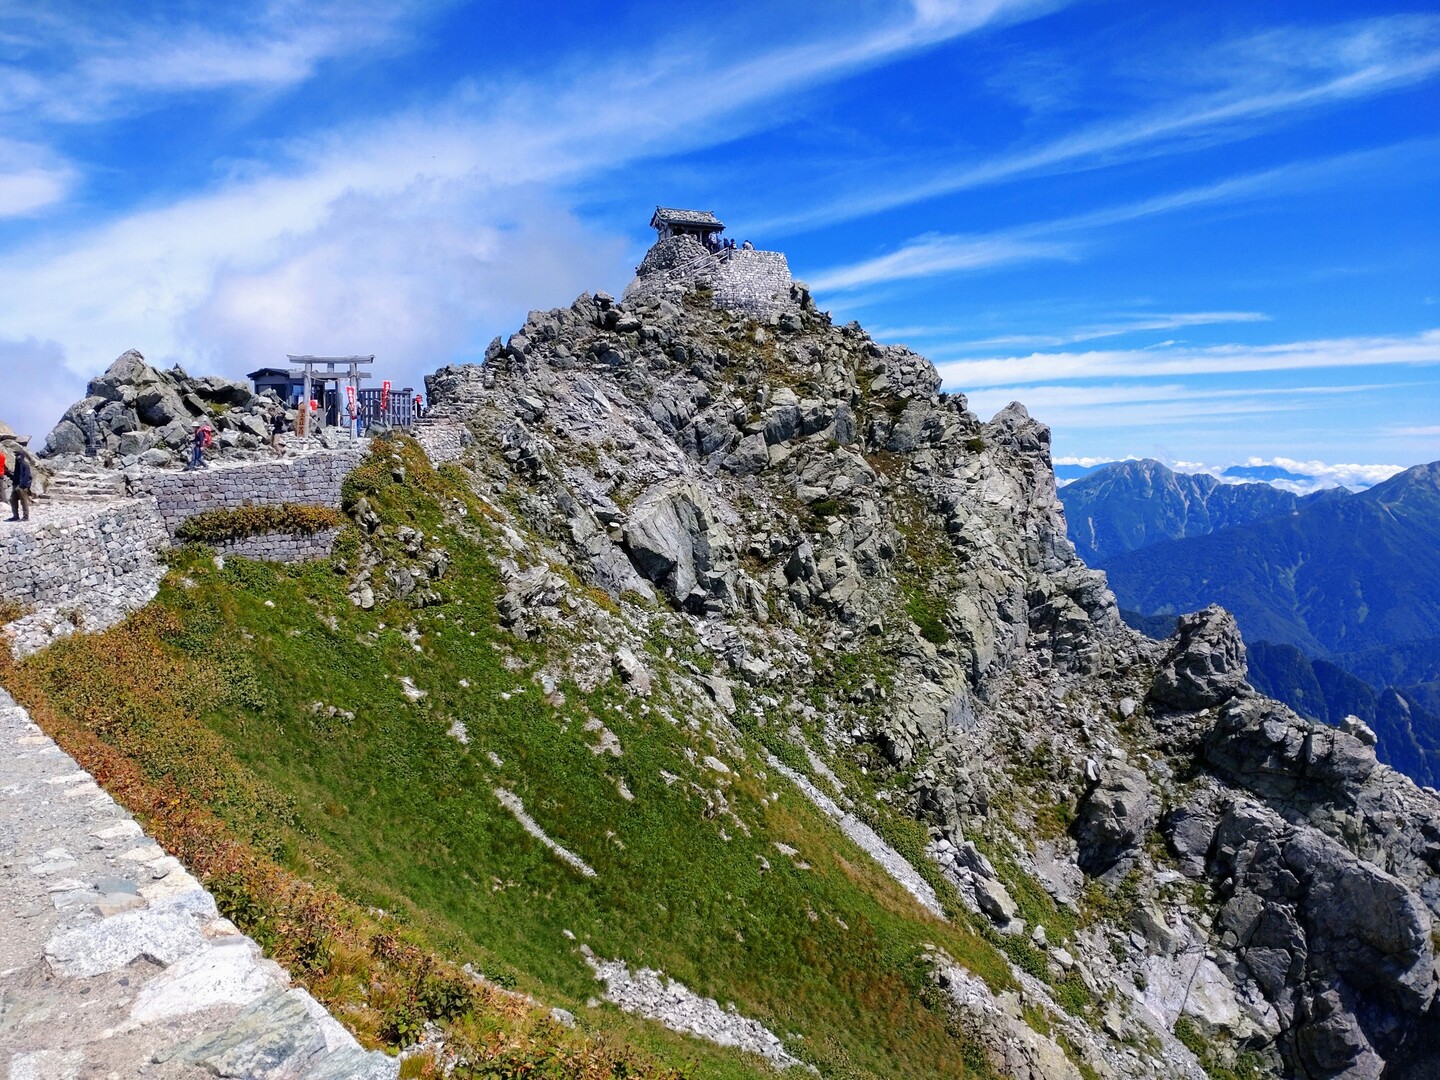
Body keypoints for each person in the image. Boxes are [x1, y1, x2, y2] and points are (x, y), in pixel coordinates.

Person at [6, 449, 32, 521]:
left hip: (21, 486)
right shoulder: (17, 464)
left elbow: (27, 476)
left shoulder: (25, 465)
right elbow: (16, 475)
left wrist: (22, 485)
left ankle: (25, 517)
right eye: (16, 455)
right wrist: (9, 474)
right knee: (12, 500)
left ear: (22, 455)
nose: (16, 456)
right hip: (16, 485)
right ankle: (15, 516)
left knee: (23, 501)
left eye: (18, 455)